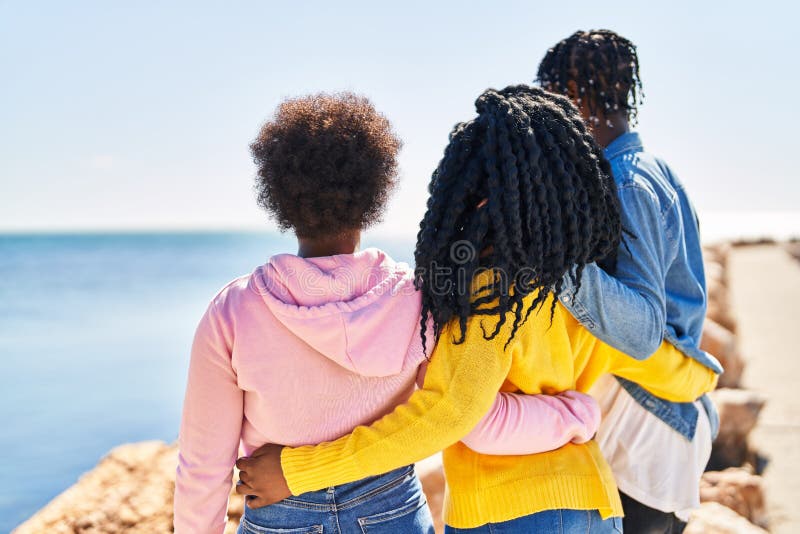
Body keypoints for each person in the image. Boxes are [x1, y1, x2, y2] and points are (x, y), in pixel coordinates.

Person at [234, 86, 719, 533]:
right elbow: (668, 369)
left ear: (472, 189)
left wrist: (298, 471)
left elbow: (445, 414)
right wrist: (705, 376)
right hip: (595, 508)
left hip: (508, 515)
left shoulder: (490, 293)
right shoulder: (593, 290)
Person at [173, 92, 603, 534]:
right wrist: (578, 415)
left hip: (281, 513)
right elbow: (471, 420)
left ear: (278, 195)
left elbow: (203, 468)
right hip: (392, 513)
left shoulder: (233, 311)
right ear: (373, 194)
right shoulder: (416, 301)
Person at [536, 29, 724, 532]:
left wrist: (549, 259)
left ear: (575, 91)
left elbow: (642, 329)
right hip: (663, 420)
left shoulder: (623, 183)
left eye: (553, 96)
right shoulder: (653, 170)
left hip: (644, 434)